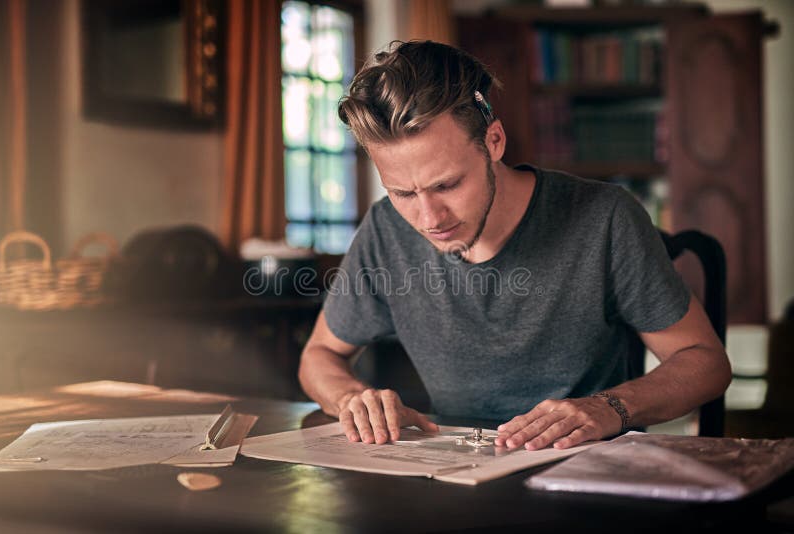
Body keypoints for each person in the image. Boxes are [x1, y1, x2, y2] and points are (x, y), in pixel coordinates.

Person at [297, 40, 731, 451]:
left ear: (494, 141)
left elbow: (706, 362)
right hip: (449, 471)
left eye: (446, 184)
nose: (429, 219)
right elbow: (320, 356)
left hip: (584, 475)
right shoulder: (385, 229)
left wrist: (608, 407)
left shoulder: (605, 217)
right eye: (403, 193)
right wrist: (352, 398)